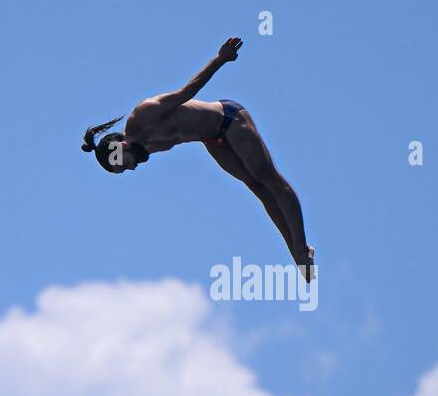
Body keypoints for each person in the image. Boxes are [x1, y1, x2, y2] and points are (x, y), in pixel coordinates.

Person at [82, 37, 314, 278]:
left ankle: (300, 247)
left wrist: (220, 59)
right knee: (257, 187)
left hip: (229, 119)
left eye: (124, 165)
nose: (131, 169)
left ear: (120, 147)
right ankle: (296, 254)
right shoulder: (145, 149)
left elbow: (187, 92)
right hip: (213, 140)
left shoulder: (143, 114)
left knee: (269, 178)